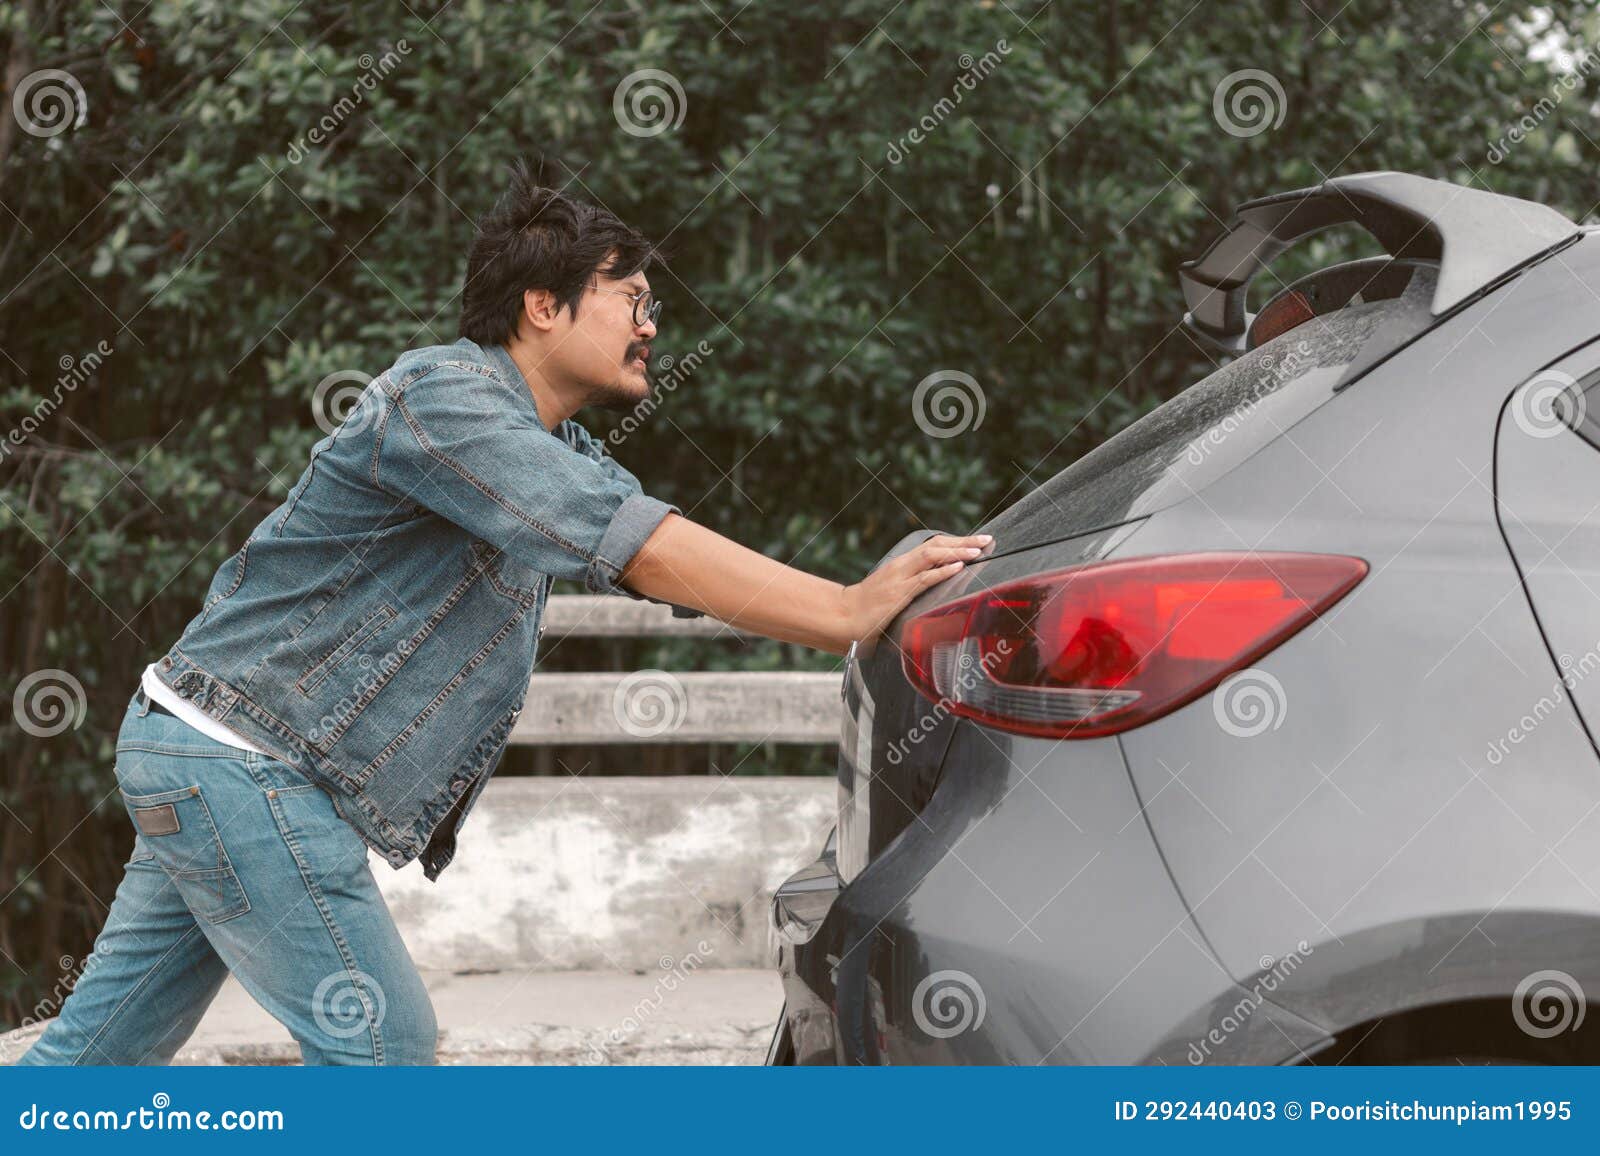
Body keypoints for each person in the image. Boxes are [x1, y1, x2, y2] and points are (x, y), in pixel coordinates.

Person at [15, 161, 990, 1065]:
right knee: (384, 1054)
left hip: (199, 754)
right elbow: (634, 539)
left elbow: (657, 560)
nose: (651, 325)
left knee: (86, 1072)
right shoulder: (445, 400)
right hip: (238, 763)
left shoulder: (548, 442)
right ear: (541, 303)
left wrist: (864, 594)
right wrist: (847, 610)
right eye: (632, 300)